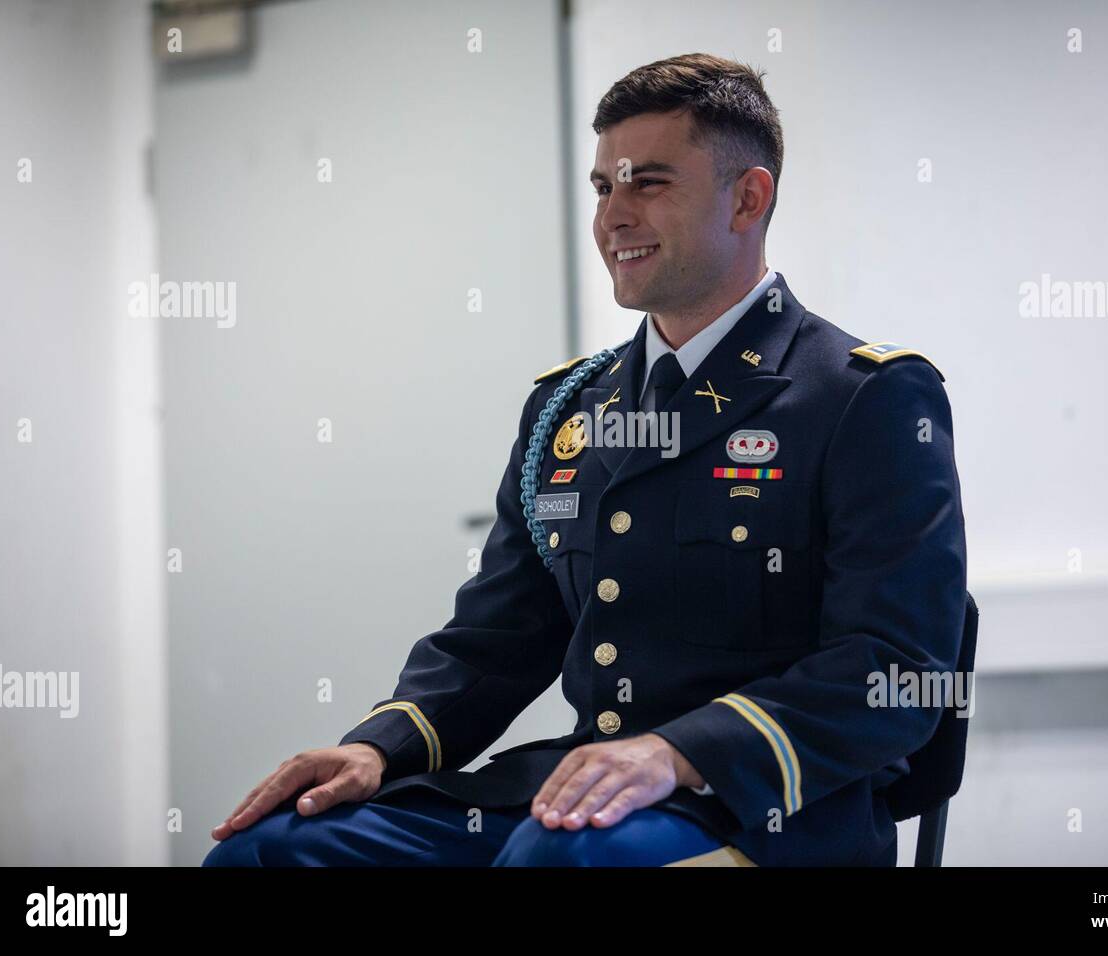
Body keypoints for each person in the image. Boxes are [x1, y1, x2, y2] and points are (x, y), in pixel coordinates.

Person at [204, 52, 966, 868]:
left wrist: (681, 752)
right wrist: (381, 748)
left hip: (769, 810)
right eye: (604, 187)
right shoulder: (569, 409)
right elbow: (498, 635)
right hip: (582, 796)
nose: (614, 218)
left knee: (555, 859)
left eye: (649, 184)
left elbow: (893, 671)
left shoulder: (862, 398)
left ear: (748, 198)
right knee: (269, 852)